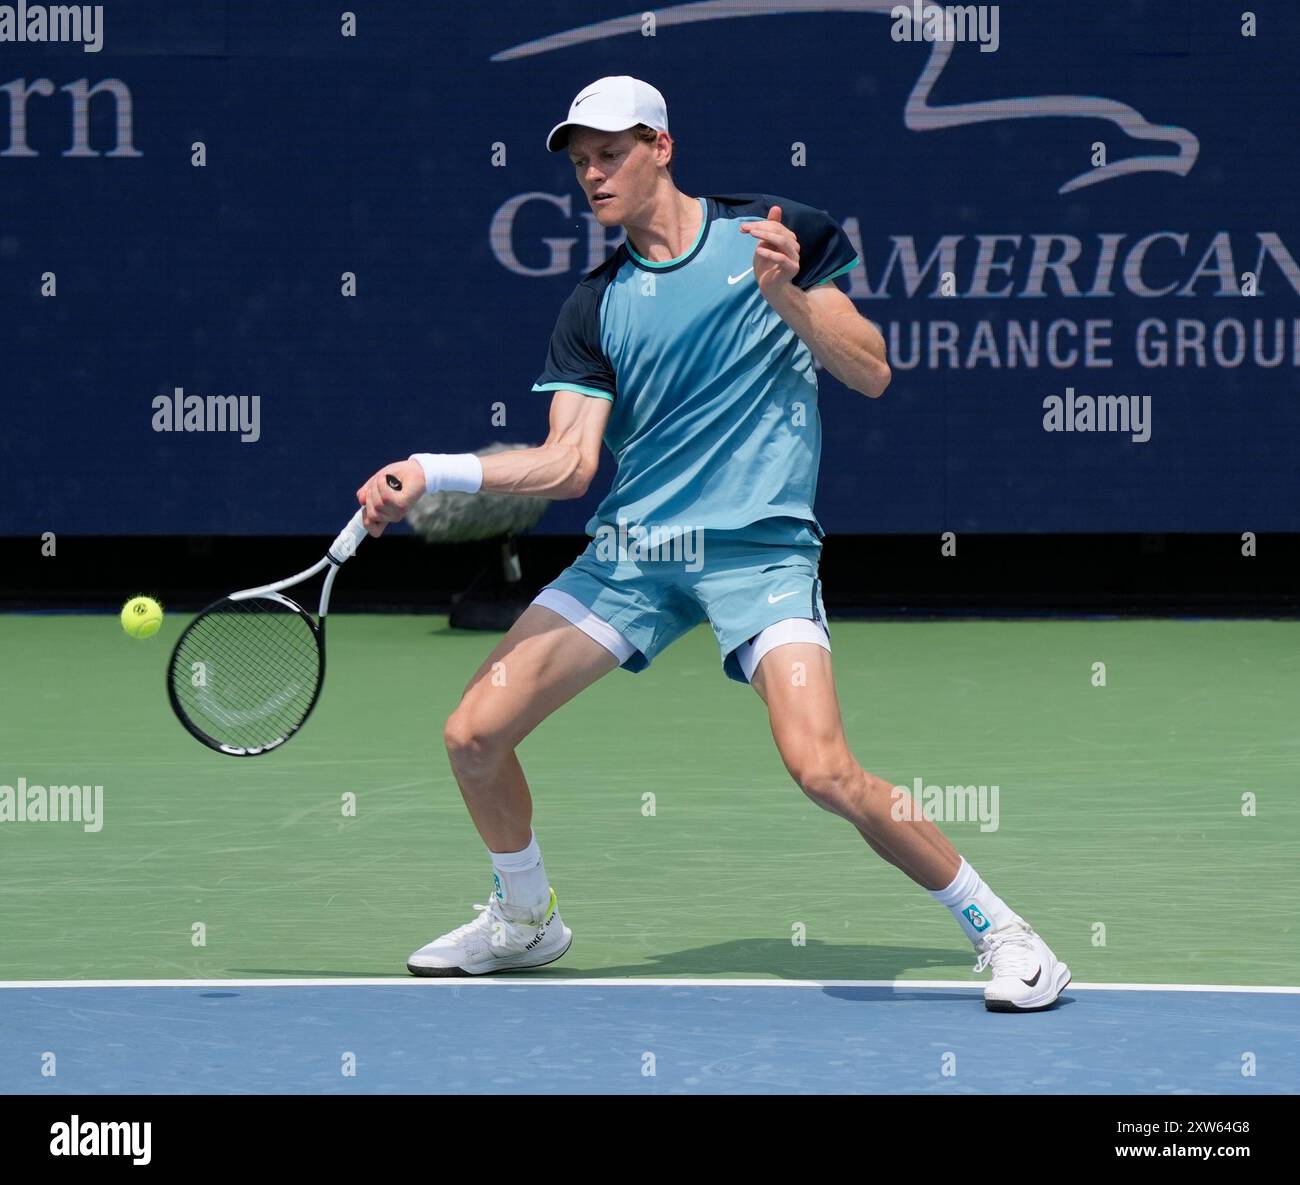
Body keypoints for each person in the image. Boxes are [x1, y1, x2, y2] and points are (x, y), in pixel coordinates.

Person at [356, 76, 1069, 1010]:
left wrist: (788, 295)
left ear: (662, 146)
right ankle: (526, 919)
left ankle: (1007, 933)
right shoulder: (594, 304)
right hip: (635, 559)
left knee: (821, 766)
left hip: (759, 551)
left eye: (610, 154)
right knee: (473, 734)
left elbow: (873, 371)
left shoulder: (777, 232)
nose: (593, 176)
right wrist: (435, 470)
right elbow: (569, 464)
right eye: (580, 163)